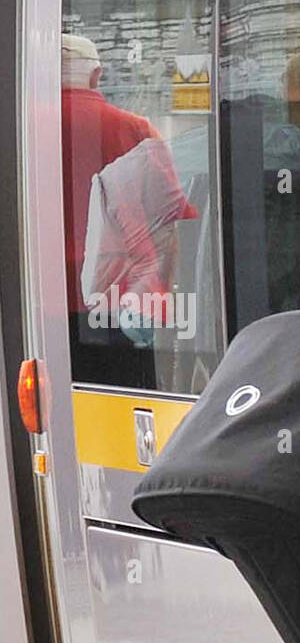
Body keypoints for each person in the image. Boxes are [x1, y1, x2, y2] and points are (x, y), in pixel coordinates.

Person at [61, 33, 196, 385]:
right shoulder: (133, 128)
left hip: (37, 308)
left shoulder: (22, 129)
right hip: (115, 311)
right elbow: (174, 224)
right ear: (96, 76)